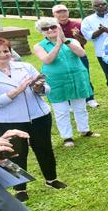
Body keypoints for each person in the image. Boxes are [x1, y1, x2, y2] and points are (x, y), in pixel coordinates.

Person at [0, 35, 65, 201]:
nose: (3, 55)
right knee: (15, 153)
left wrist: (39, 88)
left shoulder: (25, 67)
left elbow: (46, 88)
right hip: (9, 121)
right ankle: (20, 188)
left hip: (39, 116)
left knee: (44, 148)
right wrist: (17, 91)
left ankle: (51, 179)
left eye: (6, 51)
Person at [33, 17, 98, 146]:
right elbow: (47, 60)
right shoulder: (39, 46)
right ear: (42, 32)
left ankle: (84, 130)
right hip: (56, 80)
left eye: (53, 27)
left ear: (59, 27)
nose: (50, 30)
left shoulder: (72, 41)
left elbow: (81, 53)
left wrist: (65, 41)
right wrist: (57, 45)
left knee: (80, 107)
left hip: (76, 77)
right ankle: (67, 137)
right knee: (61, 110)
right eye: (46, 28)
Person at [49, 4, 97, 106]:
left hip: (79, 54)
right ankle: (70, 101)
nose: (62, 14)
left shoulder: (77, 24)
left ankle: (89, 98)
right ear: (53, 14)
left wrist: (77, 36)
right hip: (61, 56)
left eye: (64, 11)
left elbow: (84, 42)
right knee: (66, 78)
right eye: (58, 12)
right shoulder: (51, 27)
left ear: (68, 12)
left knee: (84, 75)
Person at [79, 0, 108, 99]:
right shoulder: (88, 20)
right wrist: (101, 31)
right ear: (93, 7)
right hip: (102, 53)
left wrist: (107, 30)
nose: (101, 6)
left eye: (103, 4)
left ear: (107, 4)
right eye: (97, 5)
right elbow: (88, 36)